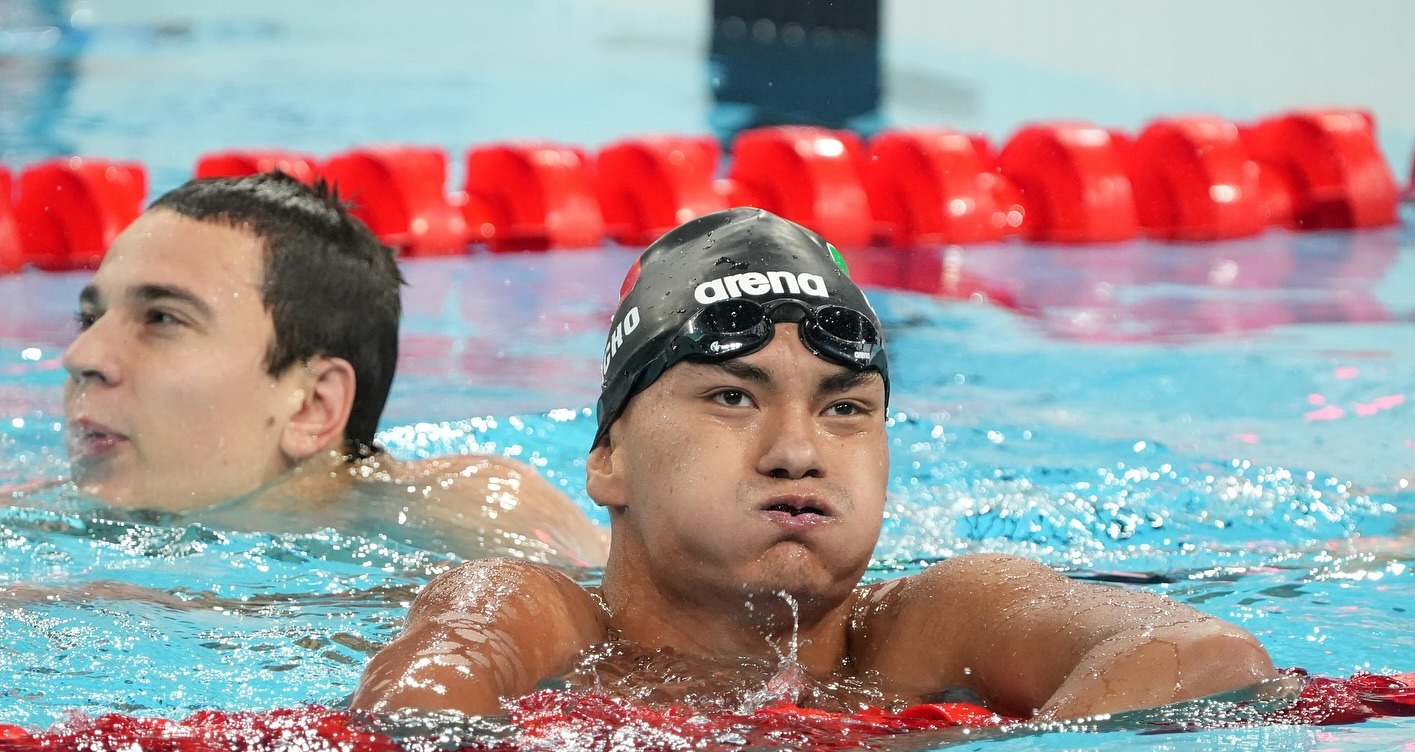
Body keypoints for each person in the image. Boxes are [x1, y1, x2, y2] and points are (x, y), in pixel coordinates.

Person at [352, 207, 1277, 721]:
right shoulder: (541, 612)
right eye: (732, 397)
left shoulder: (936, 621)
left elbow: (1213, 656)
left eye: (845, 409)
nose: (797, 453)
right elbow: (420, 709)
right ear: (608, 460)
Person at [59, 171, 606, 568]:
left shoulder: (470, 516)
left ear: (313, 405)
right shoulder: (49, 515)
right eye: (91, 316)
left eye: (162, 318)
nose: (82, 356)